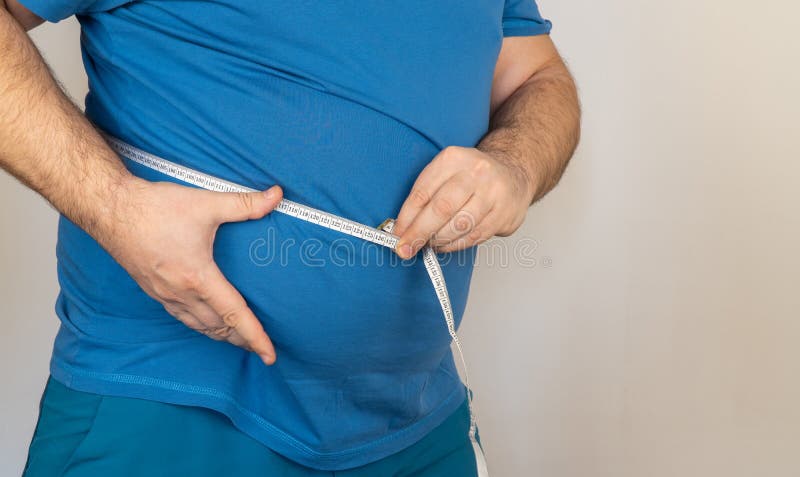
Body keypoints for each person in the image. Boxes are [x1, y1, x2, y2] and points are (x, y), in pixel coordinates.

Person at [0, 0, 580, 475]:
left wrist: (514, 163)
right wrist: (112, 206)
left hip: (419, 426)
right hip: (166, 404)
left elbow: (536, 76)